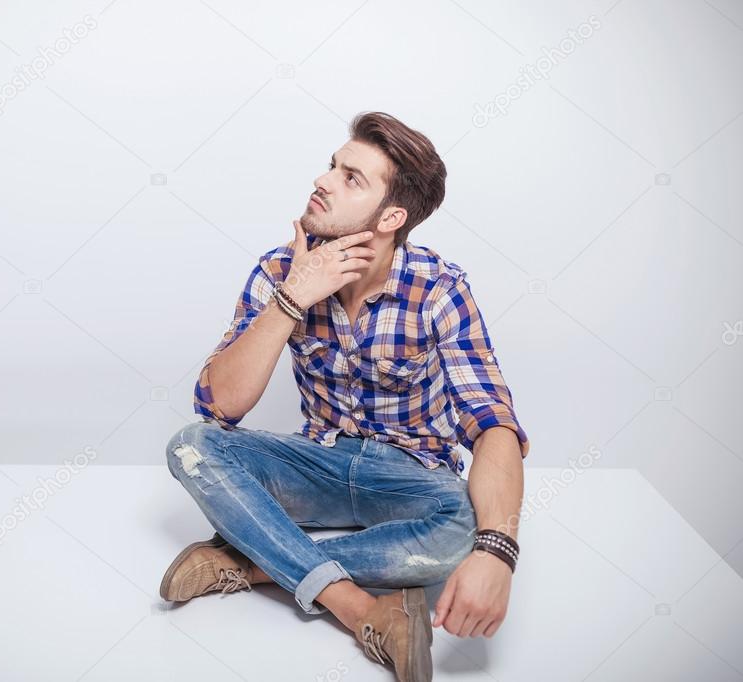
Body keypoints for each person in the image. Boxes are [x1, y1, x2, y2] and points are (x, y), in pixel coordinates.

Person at [160, 111, 529, 681]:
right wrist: (293, 297)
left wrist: (498, 552)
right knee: (192, 446)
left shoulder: (439, 289)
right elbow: (219, 407)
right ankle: (361, 610)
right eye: (333, 165)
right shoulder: (280, 270)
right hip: (319, 463)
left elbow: (493, 423)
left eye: (351, 177)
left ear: (391, 217)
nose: (323, 180)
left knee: (462, 532)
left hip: (409, 476)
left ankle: (251, 562)